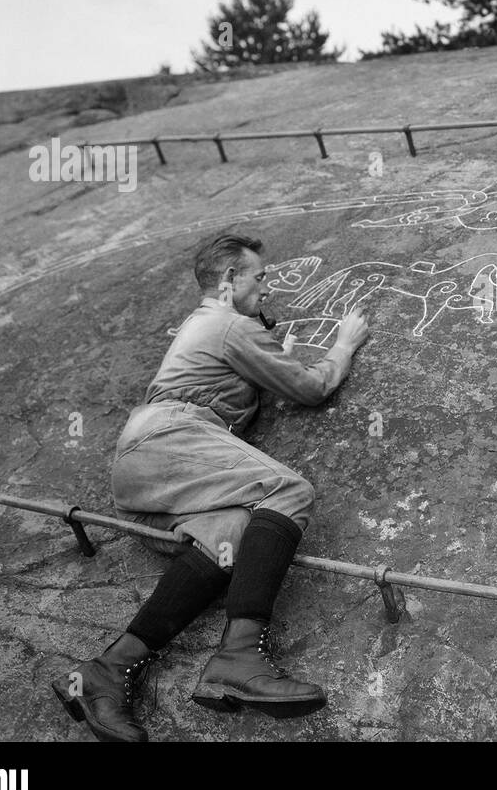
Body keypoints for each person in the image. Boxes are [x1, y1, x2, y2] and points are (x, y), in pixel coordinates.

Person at [52, 231, 370, 741]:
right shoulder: (228, 324)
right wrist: (343, 345)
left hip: (148, 468)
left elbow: (241, 384)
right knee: (288, 492)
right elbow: (311, 388)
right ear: (228, 281)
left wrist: (269, 353)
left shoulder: (211, 326)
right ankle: (240, 657)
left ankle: (105, 672)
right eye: (259, 276)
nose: (268, 286)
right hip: (173, 435)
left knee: (231, 536)